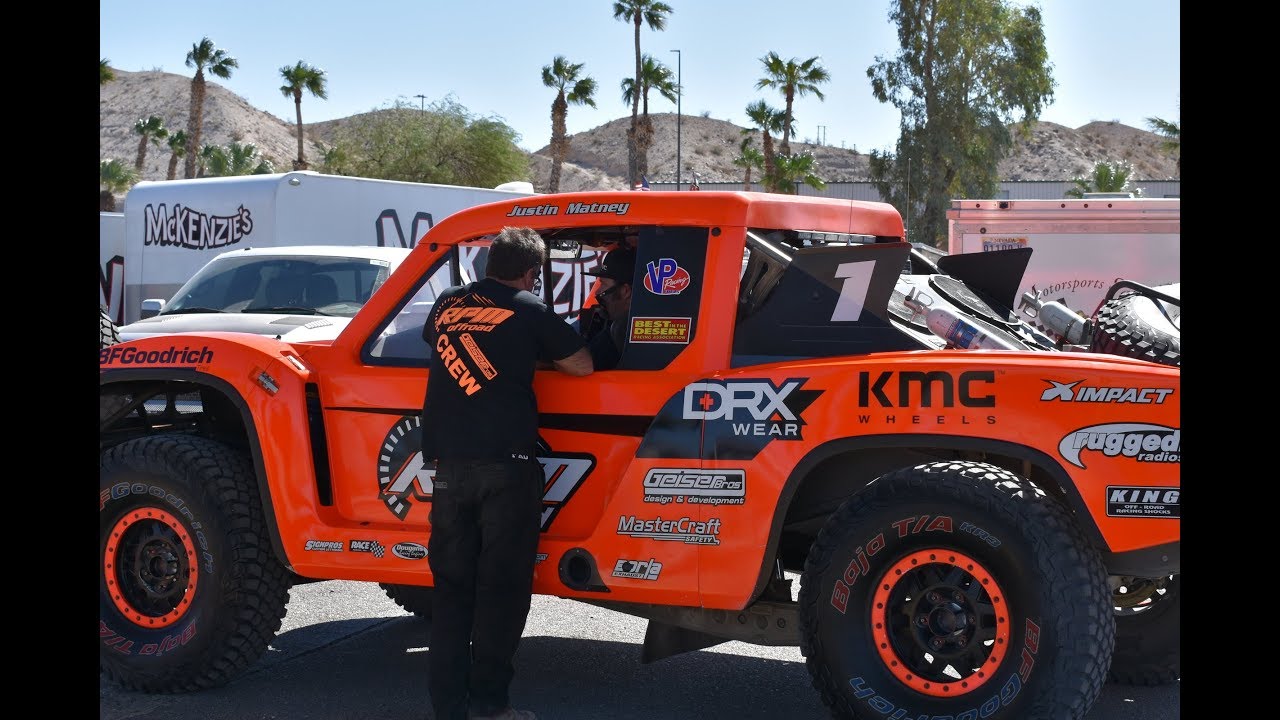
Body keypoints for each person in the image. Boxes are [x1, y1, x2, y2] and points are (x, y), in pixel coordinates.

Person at [419, 226, 593, 720]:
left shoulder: (448, 304)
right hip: (507, 469)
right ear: (531, 272)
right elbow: (580, 365)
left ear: (487, 262)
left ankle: (448, 708)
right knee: (502, 590)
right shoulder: (530, 310)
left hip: (450, 469)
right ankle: (491, 707)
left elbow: (438, 338)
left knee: (452, 591)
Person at [580, 245, 637, 370]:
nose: (597, 292)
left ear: (625, 291)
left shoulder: (620, 331)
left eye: (604, 284)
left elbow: (578, 365)